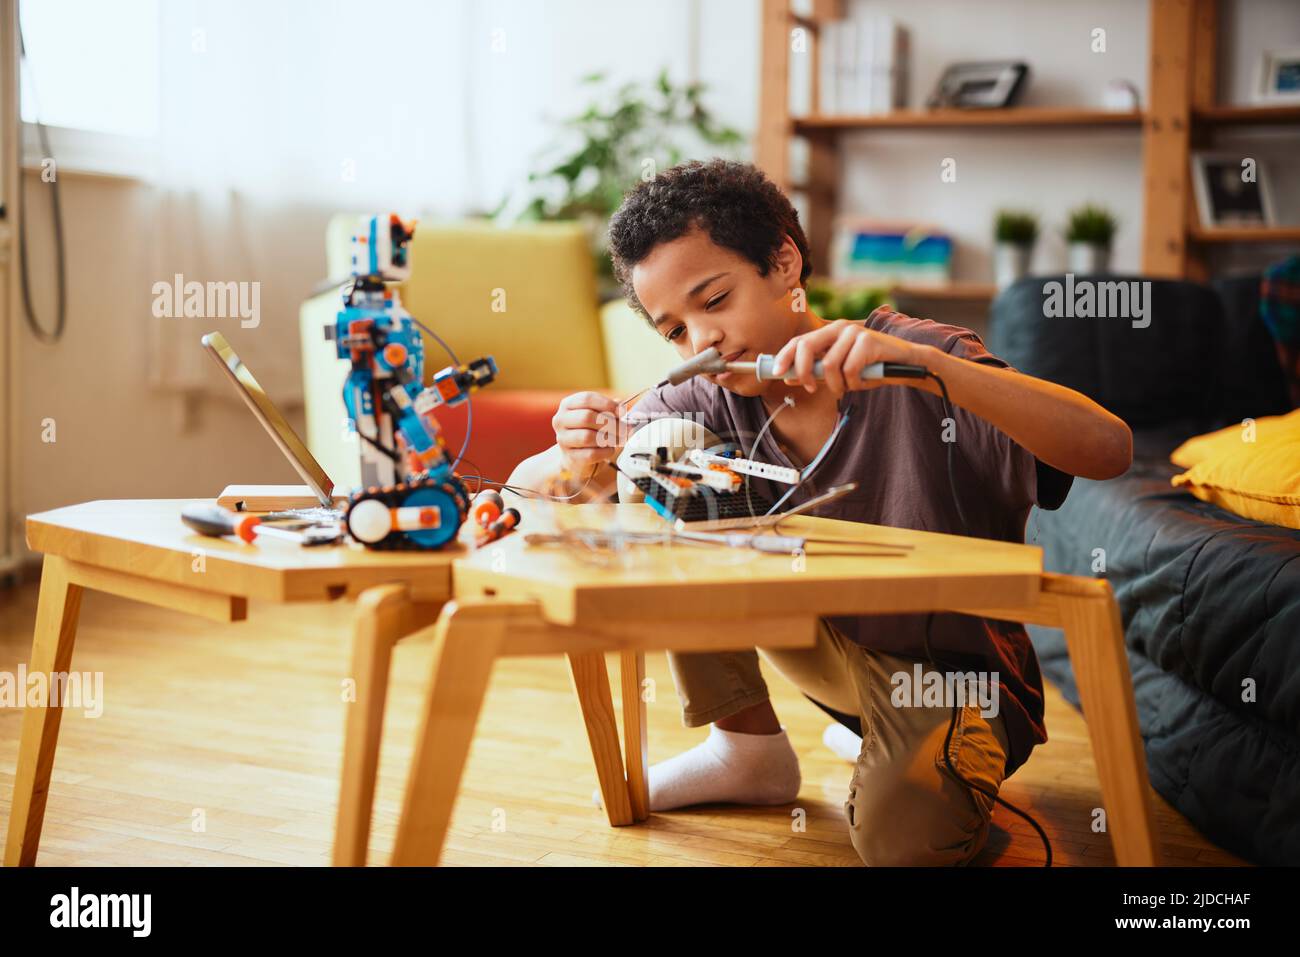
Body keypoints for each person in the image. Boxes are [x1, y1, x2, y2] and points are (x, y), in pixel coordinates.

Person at [509, 159, 1132, 865]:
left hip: (949, 680)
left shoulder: (919, 357)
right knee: (661, 460)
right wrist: (574, 456)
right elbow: (528, 495)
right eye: (675, 331)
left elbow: (1109, 447)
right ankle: (746, 748)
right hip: (819, 648)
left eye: (714, 299)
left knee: (903, 847)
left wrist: (935, 372)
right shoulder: (703, 400)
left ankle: (885, 745)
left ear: (783, 261)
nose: (702, 341)